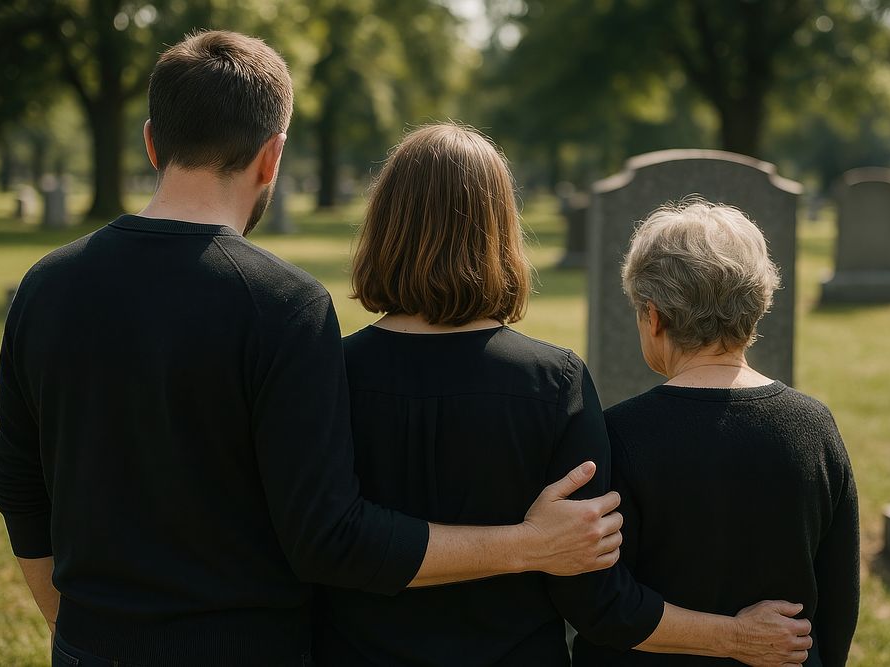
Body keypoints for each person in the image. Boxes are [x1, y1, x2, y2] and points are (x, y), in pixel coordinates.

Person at [0, 31, 630, 667]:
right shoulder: (283, 305)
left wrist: (75, 630)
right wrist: (528, 545)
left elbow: (20, 489)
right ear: (272, 157)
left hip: (88, 643)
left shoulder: (44, 287)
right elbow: (328, 537)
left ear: (151, 141)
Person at [313, 124, 814, 666]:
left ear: (385, 227)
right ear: (499, 230)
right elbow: (591, 586)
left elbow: (313, 543)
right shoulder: (553, 382)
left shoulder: (328, 371)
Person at [572, 201, 861, 666]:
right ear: (759, 304)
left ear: (654, 317)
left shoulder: (619, 436)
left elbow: (601, 604)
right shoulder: (815, 427)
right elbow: (839, 600)